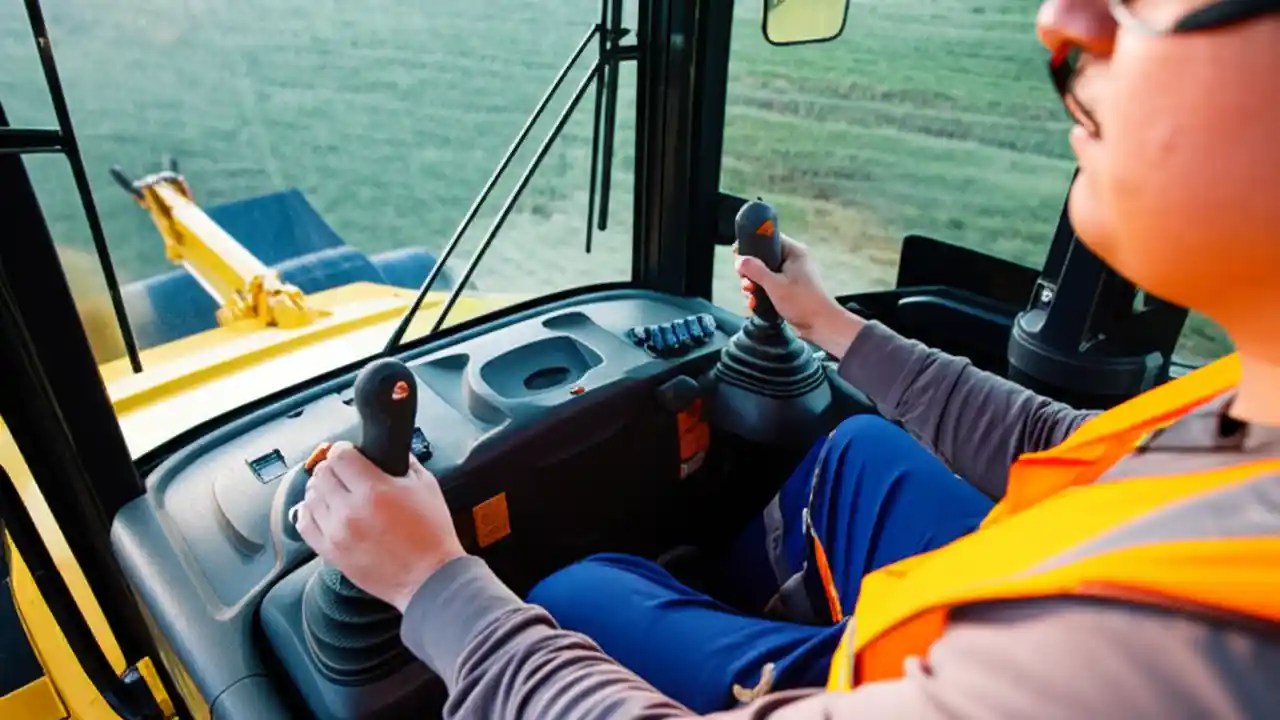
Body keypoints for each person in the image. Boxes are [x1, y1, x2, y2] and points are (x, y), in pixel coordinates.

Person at [292, 0, 1280, 716]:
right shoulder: (1255, 406)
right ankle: (723, 625)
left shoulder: (1142, 670)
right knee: (854, 457)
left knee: (577, 596)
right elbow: (1078, 450)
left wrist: (432, 586)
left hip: (941, 667)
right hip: (1025, 583)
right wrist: (833, 326)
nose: (1060, 20)